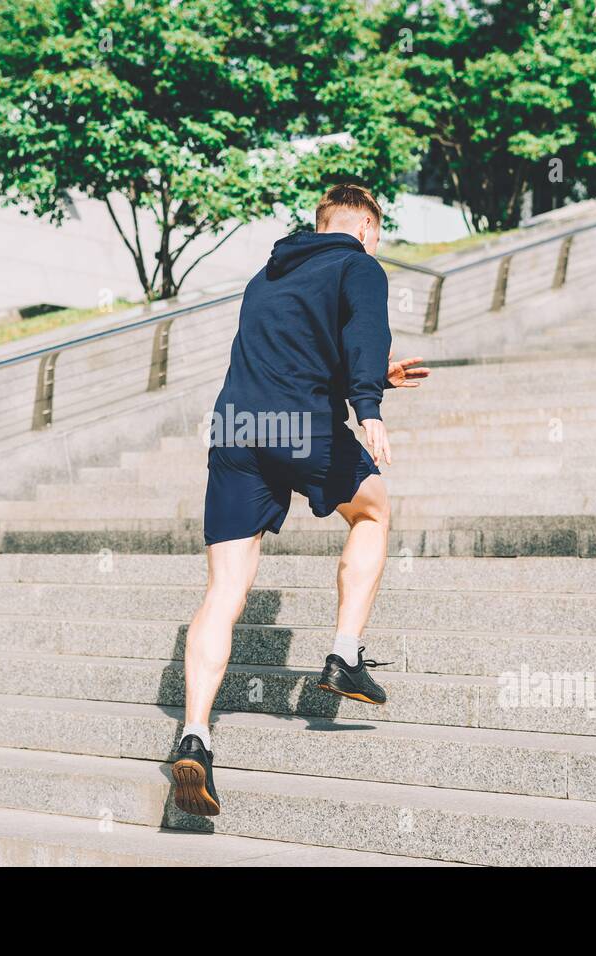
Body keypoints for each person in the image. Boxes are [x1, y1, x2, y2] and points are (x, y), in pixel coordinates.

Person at [170, 183, 430, 816]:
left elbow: (300, 351)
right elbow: (366, 333)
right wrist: (369, 405)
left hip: (234, 428)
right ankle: (344, 653)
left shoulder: (268, 275)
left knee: (224, 590)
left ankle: (195, 736)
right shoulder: (358, 263)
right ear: (365, 229)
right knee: (373, 511)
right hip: (297, 424)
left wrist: (364, 380)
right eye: (378, 235)